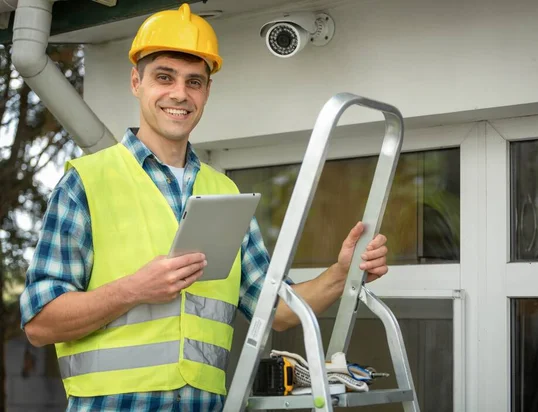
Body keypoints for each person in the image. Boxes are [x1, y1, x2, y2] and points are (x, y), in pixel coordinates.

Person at [19, 4, 390, 411]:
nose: (180, 93)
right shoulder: (86, 182)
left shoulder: (223, 191)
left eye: (194, 81)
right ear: (136, 82)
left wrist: (342, 274)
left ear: (207, 92)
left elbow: (278, 311)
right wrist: (134, 289)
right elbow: (41, 323)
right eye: (164, 77)